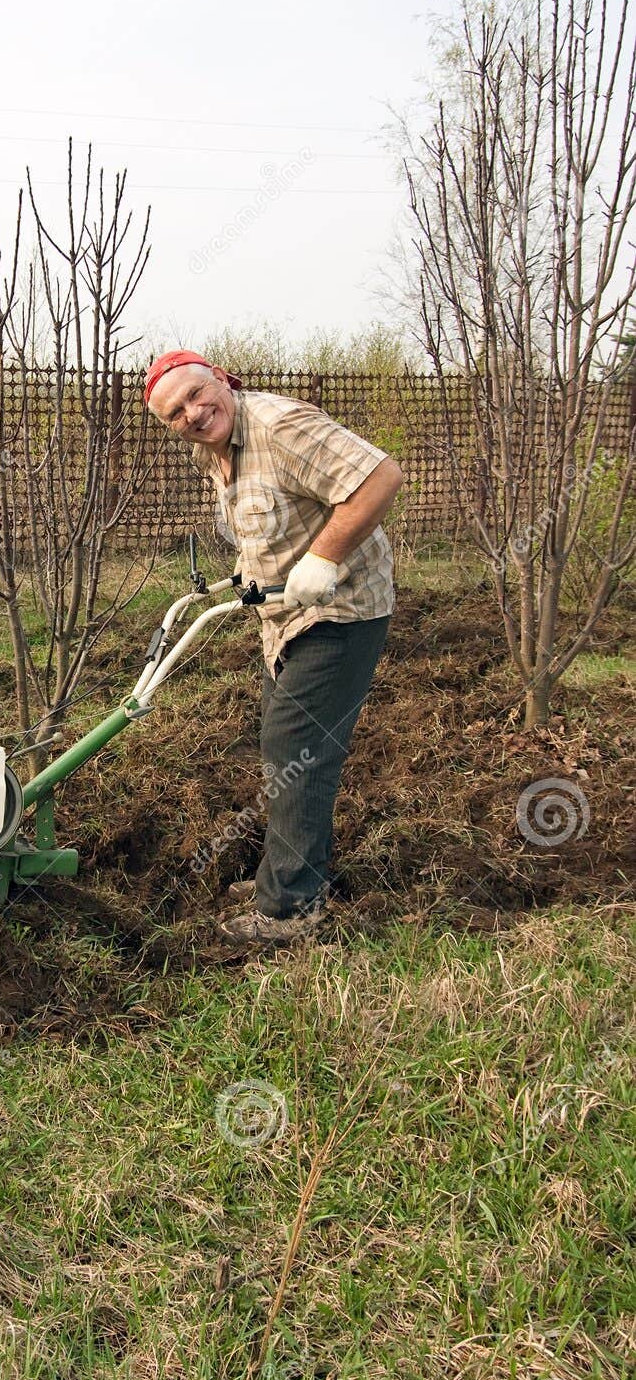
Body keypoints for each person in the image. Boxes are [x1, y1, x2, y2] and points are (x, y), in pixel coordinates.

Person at [144, 350, 404, 947]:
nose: (191, 413)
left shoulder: (280, 425)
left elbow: (379, 477)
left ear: (222, 381)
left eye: (195, 395)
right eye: (175, 413)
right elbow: (269, 523)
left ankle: (290, 910)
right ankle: (293, 873)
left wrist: (324, 557)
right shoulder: (216, 450)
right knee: (286, 743)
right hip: (285, 617)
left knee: (296, 748)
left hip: (341, 611)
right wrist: (245, 572)